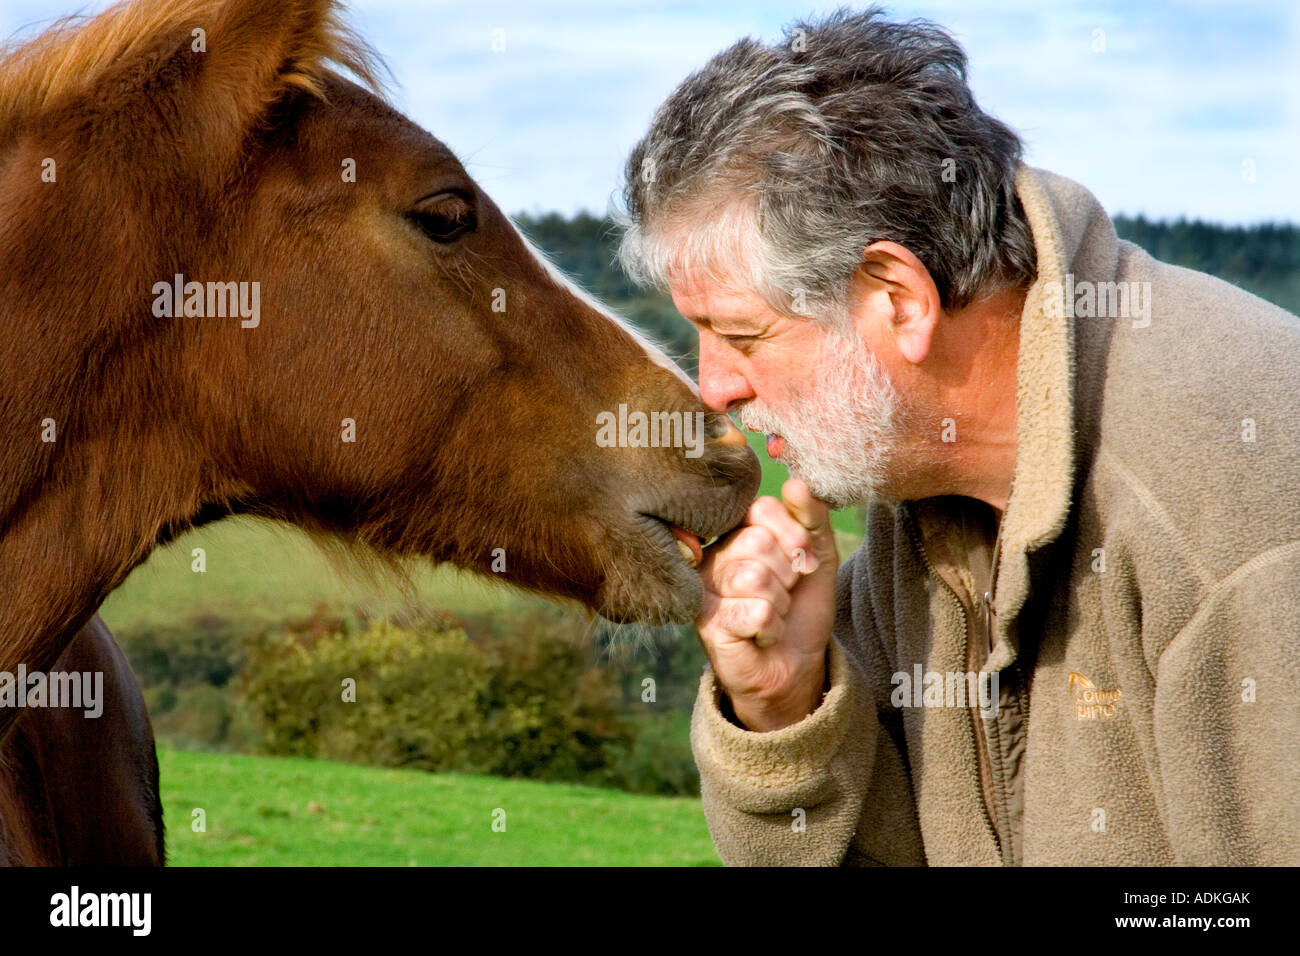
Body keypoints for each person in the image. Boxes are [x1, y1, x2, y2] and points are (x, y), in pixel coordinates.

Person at [617, 8, 1300, 865]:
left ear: (898, 299)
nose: (717, 387)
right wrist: (785, 706)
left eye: (745, 337)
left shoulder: (1236, 510)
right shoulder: (923, 503)